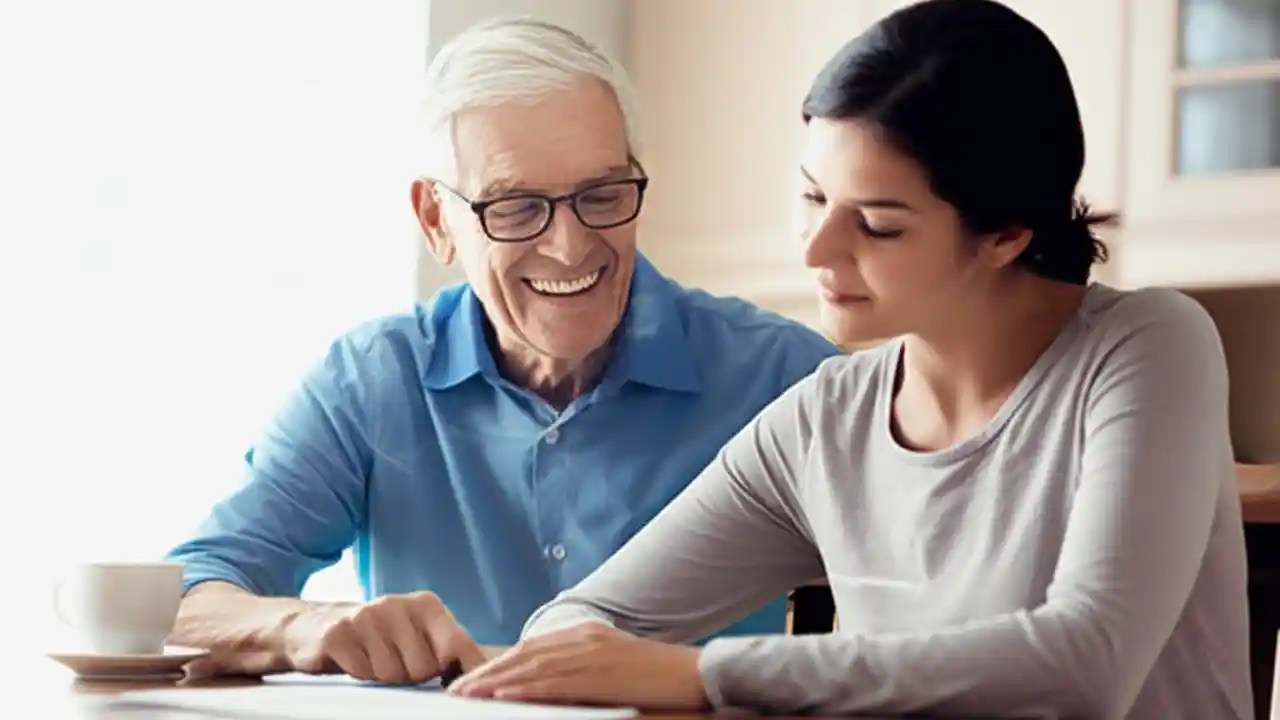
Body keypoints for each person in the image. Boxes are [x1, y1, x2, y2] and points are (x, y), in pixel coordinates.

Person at [447, 1, 1254, 717]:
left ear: (1007, 233)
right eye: (811, 199)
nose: (817, 251)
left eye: (876, 224)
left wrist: (704, 676)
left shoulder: (1148, 346)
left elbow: (1085, 663)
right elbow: (575, 626)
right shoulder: (826, 419)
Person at [164, 18, 839, 684]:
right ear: (436, 220)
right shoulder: (371, 379)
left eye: (602, 195)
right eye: (515, 208)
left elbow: (928, 621)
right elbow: (187, 602)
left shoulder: (788, 379)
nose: (571, 247)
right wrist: (305, 627)